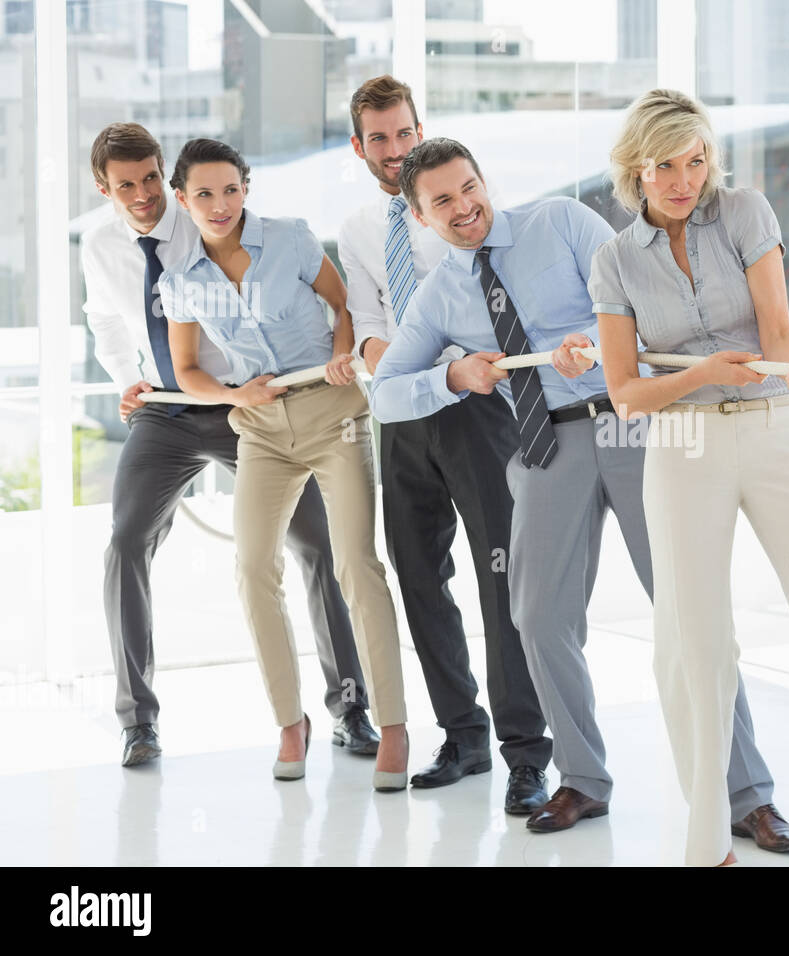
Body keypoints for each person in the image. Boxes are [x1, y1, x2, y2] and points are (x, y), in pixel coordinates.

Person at [371, 138, 789, 849]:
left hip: (632, 422)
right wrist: (454, 379)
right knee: (537, 618)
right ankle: (582, 778)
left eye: (468, 187)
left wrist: (598, 338)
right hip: (545, 447)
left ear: (485, 180)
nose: (463, 206)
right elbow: (384, 396)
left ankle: (748, 794)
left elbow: (642, 289)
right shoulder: (437, 296)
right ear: (419, 217)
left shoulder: (562, 223)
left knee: (686, 607)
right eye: (441, 201)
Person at [588, 89, 789, 868]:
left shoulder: (744, 214)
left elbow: (777, 330)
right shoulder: (616, 259)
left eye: (696, 161)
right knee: (693, 646)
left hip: (775, 432)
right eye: (666, 165)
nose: (683, 179)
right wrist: (698, 373)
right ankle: (708, 847)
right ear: (637, 167)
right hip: (683, 445)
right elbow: (626, 393)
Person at [81, 123, 380, 768]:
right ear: (103, 188)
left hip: (253, 403)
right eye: (126, 185)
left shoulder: (210, 216)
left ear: (170, 176)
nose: (144, 195)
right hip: (167, 407)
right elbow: (103, 316)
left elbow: (301, 283)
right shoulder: (101, 245)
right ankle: (139, 721)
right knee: (127, 540)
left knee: (318, 546)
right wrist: (124, 378)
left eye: (152, 178)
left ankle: (349, 708)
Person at [159, 138, 408, 790]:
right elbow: (186, 370)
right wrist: (235, 393)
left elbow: (346, 303)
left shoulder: (291, 240)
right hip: (262, 431)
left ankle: (396, 727)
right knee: (251, 568)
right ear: (182, 199)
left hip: (335, 413)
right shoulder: (180, 281)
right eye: (204, 194)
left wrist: (342, 350)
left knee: (356, 562)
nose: (220, 205)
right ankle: (289, 725)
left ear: (246, 189)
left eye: (231, 190)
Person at [339, 76, 550, 813]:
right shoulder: (359, 231)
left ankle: (527, 752)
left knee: (502, 577)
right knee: (418, 576)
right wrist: (404, 369)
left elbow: (487, 310)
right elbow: (367, 328)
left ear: (418, 128)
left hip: (475, 407)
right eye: (380, 139)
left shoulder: (458, 211)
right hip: (399, 413)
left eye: (404, 133)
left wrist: (447, 369)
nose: (395, 151)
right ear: (359, 146)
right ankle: (463, 734)